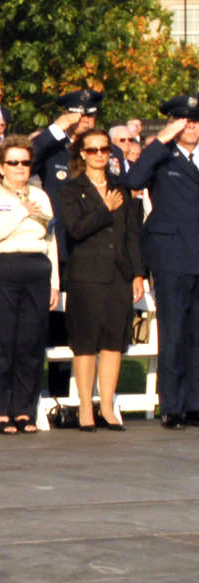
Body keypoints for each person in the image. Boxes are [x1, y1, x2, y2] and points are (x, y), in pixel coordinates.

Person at [58, 129, 146, 430]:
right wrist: (104, 208)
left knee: (113, 342)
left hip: (118, 274)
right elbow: (76, 229)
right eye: (92, 150)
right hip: (86, 274)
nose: (99, 155)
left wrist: (137, 273)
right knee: (85, 343)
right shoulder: (71, 190)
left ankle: (107, 406)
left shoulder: (121, 187)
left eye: (104, 149)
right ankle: (85, 407)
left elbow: (133, 235)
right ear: (82, 153)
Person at [0, 136, 58, 434]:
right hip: (3, 267)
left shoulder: (40, 195)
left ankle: (23, 409)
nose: (20, 168)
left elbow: (50, 238)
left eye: (25, 162)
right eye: (13, 162)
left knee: (30, 342)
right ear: (0, 166)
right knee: (1, 341)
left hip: (37, 267)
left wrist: (55, 282)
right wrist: (23, 211)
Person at [128, 95, 199, 427]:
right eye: (184, 121)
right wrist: (160, 141)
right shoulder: (161, 156)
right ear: (173, 124)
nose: (192, 127)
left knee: (197, 334)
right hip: (173, 255)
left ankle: (195, 403)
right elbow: (134, 180)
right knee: (173, 332)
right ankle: (171, 405)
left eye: (196, 121)